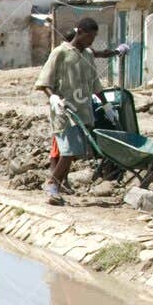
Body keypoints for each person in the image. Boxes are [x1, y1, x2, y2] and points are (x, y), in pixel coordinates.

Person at [35, 17, 108, 206]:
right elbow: (45, 80)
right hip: (64, 111)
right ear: (80, 33)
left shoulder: (89, 55)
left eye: (94, 38)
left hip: (83, 111)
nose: (91, 41)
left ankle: (58, 184)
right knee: (68, 151)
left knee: (73, 152)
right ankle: (53, 184)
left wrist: (106, 104)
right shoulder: (60, 53)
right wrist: (53, 97)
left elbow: (95, 83)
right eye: (89, 37)